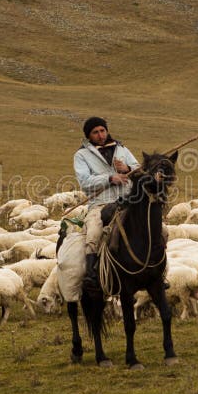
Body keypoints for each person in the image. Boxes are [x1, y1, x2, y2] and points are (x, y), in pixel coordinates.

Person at [73, 116, 140, 294]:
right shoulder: (82, 155)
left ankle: (158, 272)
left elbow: (139, 170)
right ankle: (91, 273)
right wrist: (110, 178)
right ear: (89, 135)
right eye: (95, 132)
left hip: (127, 201)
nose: (100, 135)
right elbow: (85, 182)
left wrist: (126, 169)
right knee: (94, 232)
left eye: (102, 130)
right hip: (100, 203)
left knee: (160, 230)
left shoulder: (121, 148)